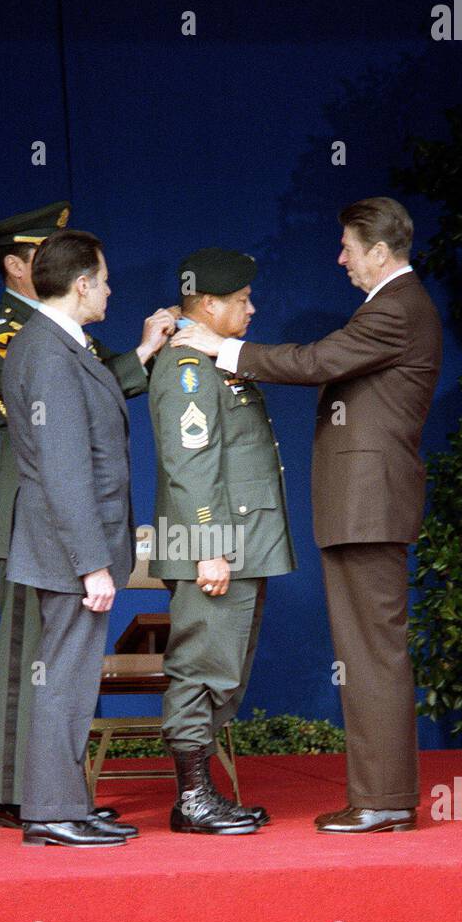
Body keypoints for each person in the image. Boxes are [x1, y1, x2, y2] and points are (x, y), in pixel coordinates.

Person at [174, 198, 442, 835]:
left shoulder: (397, 308)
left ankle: (384, 800)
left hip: (368, 506)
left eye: (349, 247)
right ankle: (383, 797)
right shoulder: (396, 306)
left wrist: (222, 347)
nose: (340, 257)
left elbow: (319, 361)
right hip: (364, 505)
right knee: (369, 650)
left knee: (371, 653)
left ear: (380, 251)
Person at [0, 203, 174, 834]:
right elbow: (62, 470)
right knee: (63, 679)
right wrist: (92, 562)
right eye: (106, 279)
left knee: (65, 677)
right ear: (82, 284)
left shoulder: (59, 344)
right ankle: (55, 813)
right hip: (68, 552)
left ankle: (59, 806)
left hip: (64, 547)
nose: (112, 290)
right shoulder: (48, 350)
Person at [149, 248, 296, 834]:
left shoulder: (210, 358)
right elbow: (189, 462)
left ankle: (201, 794)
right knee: (201, 667)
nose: (252, 308)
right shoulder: (187, 366)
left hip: (240, 539)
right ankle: (192, 801)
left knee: (224, 670)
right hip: (216, 540)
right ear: (208, 305)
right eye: (240, 300)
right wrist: (208, 544)